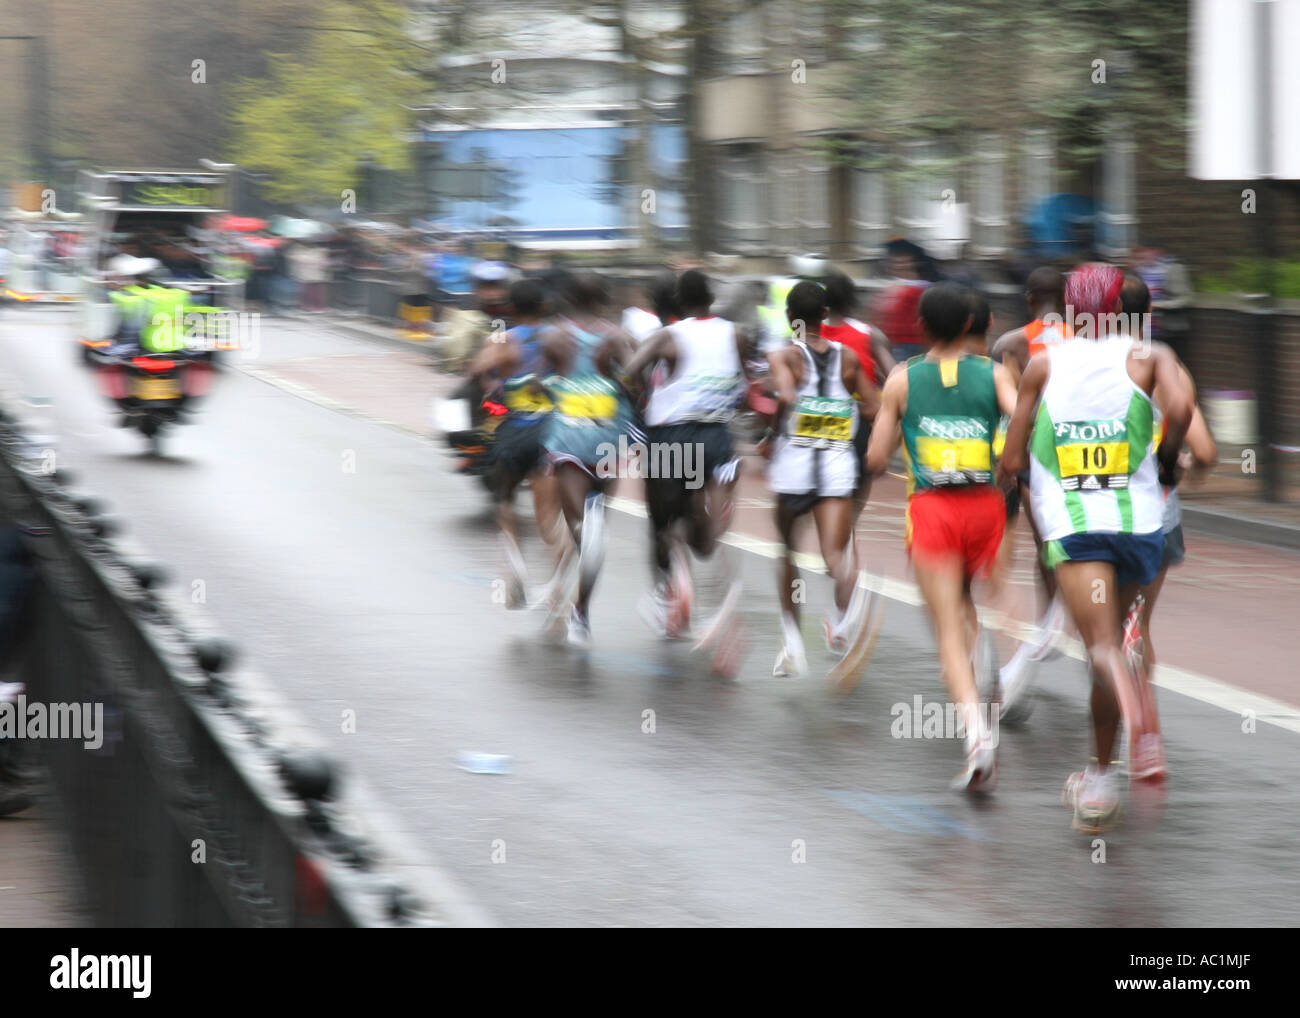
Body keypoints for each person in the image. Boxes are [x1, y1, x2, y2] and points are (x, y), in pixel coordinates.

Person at [1001, 262, 1194, 832]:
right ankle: (1100, 781)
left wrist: (1025, 470)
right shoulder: (1149, 356)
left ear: (1068, 308)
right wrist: (1164, 457)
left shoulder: (1044, 363)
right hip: (1140, 526)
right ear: (1119, 306)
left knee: (1102, 647)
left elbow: (1012, 459)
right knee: (1115, 648)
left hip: (1078, 527)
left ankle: (1139, 717)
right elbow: (1180, 411)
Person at [867, 282, 1019, 792]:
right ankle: (1001, 674)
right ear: (973, 325)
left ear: (924, 328)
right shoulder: (996, 373)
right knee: (976, 605)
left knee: (948, 632)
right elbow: (1022, 422)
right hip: (987, 508)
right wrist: (1004, 461)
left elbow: (874, 459)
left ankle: (977, 737)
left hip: (932, 510)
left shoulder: (902, 379)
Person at [1119, 273, 1217, 781]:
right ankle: (1147, 738)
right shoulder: (1167, 364)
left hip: (1093, 510)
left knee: (1104, 630)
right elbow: (1204, 451)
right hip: (1159, 512)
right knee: (1135, 625)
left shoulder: (1077, 367)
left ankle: (1110, 747)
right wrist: (1180, 477)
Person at [762, 281, 880, 680]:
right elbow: (875, 406)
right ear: (825, 316)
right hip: (836, 464)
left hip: (794, 463)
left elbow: (786, 397)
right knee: (835, 556)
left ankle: (793, 645)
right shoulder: (849, 359)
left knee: (787, 553)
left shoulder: (784, 355)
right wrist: (844, 413)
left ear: (788, 318)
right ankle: (849, 610)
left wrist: (770, 433)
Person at [625, 270, 746, 653]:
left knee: (663, 523)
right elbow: (747, 379)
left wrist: (647, 399)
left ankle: (675, 585)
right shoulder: (736, 333)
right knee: (703, 538)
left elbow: (627, 373)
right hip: (716, 434)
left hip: (672, 435)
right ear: (712, 298)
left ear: (678, 302)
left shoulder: (668, 336)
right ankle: (710, 546)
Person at [990, 267, 1074, 717]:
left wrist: (1009, 458)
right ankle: (1054, 614)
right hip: (1082, 442)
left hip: (1038, 448)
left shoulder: (1012, 344)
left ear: (1028, 299)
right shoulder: (1088, 338)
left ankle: (1049, 618)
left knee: (1042, 534)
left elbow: (1010, 407)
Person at [538, 272, 637, 648]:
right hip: (608, 443)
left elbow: (541, 383)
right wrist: (612, 381)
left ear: (566, 298)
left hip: (569, 444)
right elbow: (633, 378)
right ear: (605, 297)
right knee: (595, 529)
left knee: (584, 533)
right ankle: (581, 613)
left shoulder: (554, 337)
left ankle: (575, 603)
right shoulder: (616, 337)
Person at [466, 278, 563, 610]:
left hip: (514, 434)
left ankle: (516, 570)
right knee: (549, 520)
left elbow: (476, 368)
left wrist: (494, 378)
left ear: (512, 309)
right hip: (549, 434)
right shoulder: (558, 338)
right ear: (544, 307)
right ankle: (558, 591)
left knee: (504, 503)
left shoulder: (504, 339)